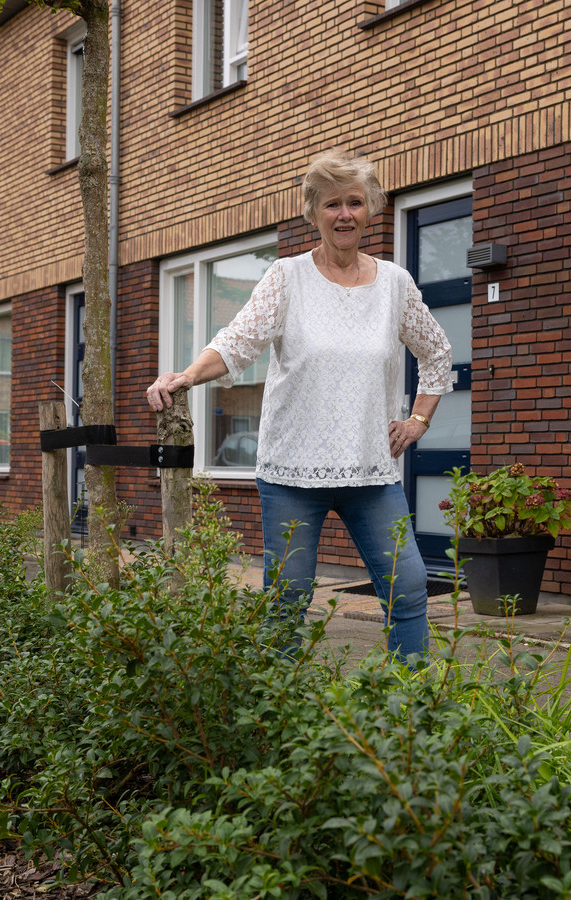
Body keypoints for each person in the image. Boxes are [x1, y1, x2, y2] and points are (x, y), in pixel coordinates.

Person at [145, 150, 452, 663]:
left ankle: (413, 708)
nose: (345, 214)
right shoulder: (287, 278)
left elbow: (437, 349)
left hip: (371, 471)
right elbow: (238, 341)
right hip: (291, 472)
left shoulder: (395, 285)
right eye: (332, 204)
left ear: (371, 208)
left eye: (356, 202)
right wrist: (187, 376)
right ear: (313, 212)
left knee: (410, 589)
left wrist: (420, 418)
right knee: (287, 600)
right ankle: (281, 712)